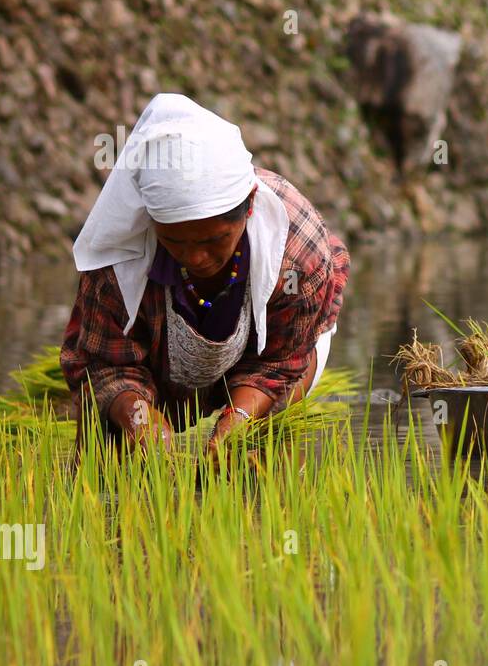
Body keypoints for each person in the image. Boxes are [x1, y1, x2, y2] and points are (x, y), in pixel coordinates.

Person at [60, 93, 350, 460]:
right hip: (156, 357)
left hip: (267, 353)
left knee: (252, 449)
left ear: (248, 209)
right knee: (115, 450)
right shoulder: (117, 256)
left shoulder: (296, 252)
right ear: (152, 223)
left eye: (214, 240)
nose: (196, 257)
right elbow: (105, 364)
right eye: (174, 240)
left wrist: (238, 419)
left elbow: (279, 364)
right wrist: (141, 420)